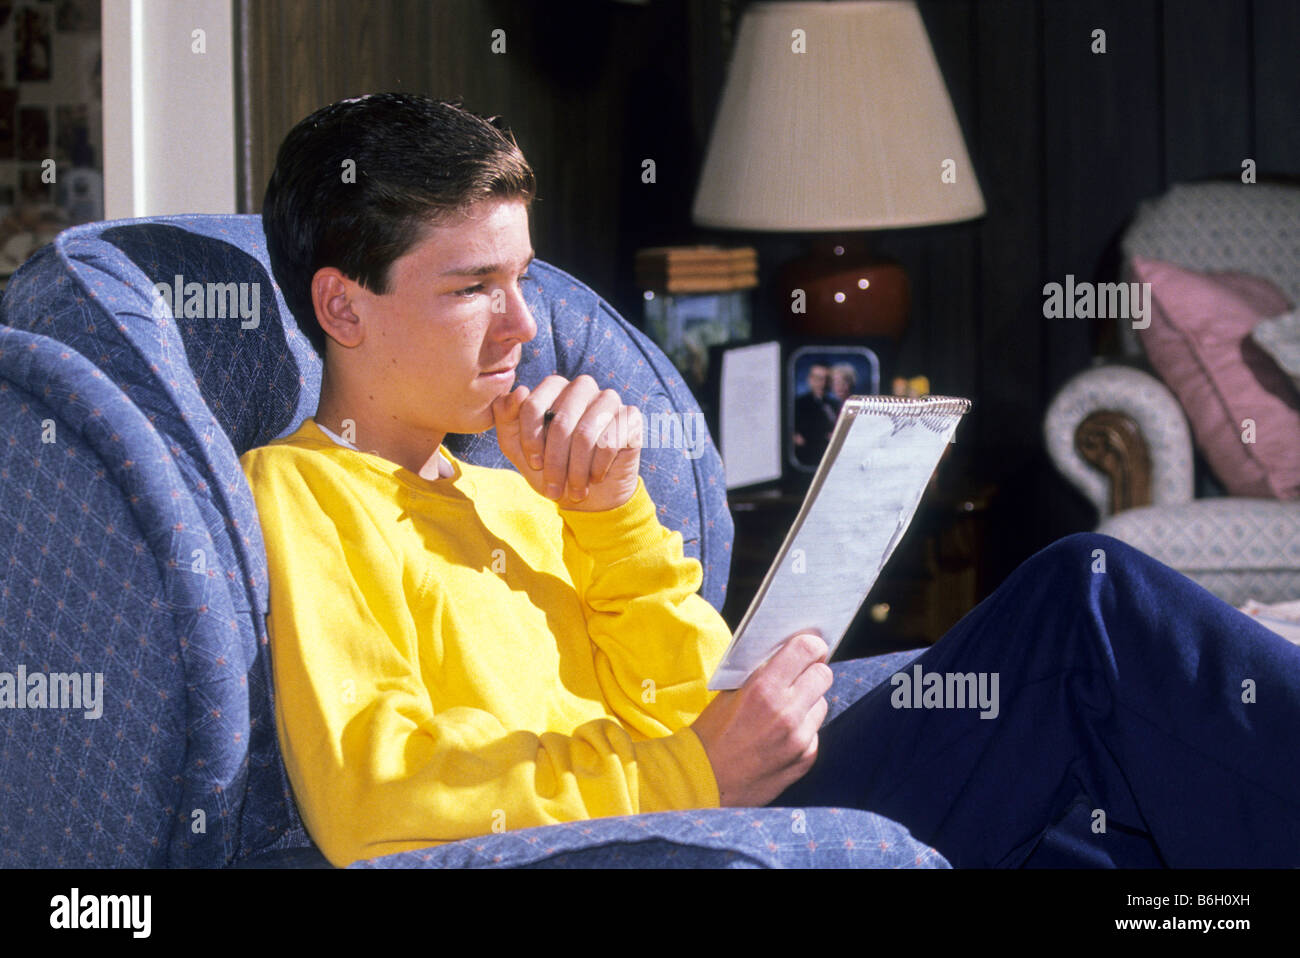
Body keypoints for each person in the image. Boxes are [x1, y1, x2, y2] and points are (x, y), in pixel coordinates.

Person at [242, 93, 1300, 869]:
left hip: (736, 799)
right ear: (342, 307)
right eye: (475, 287)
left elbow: (699, 692)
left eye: (522, 278)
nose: (525, 325)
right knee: (1087, 603)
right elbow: (373, 799)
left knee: (1116, 805)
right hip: (681, 837)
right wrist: (688, 776)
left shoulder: (521, 486)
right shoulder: (304, 492)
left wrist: (608, 514)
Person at [792, 363, 838, 466]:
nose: (823, 383)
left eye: (827, 379)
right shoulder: (799, 404)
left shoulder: (835, 404)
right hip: (812, 457)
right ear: (810, 380)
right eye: (819, 379)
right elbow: (801, 436)